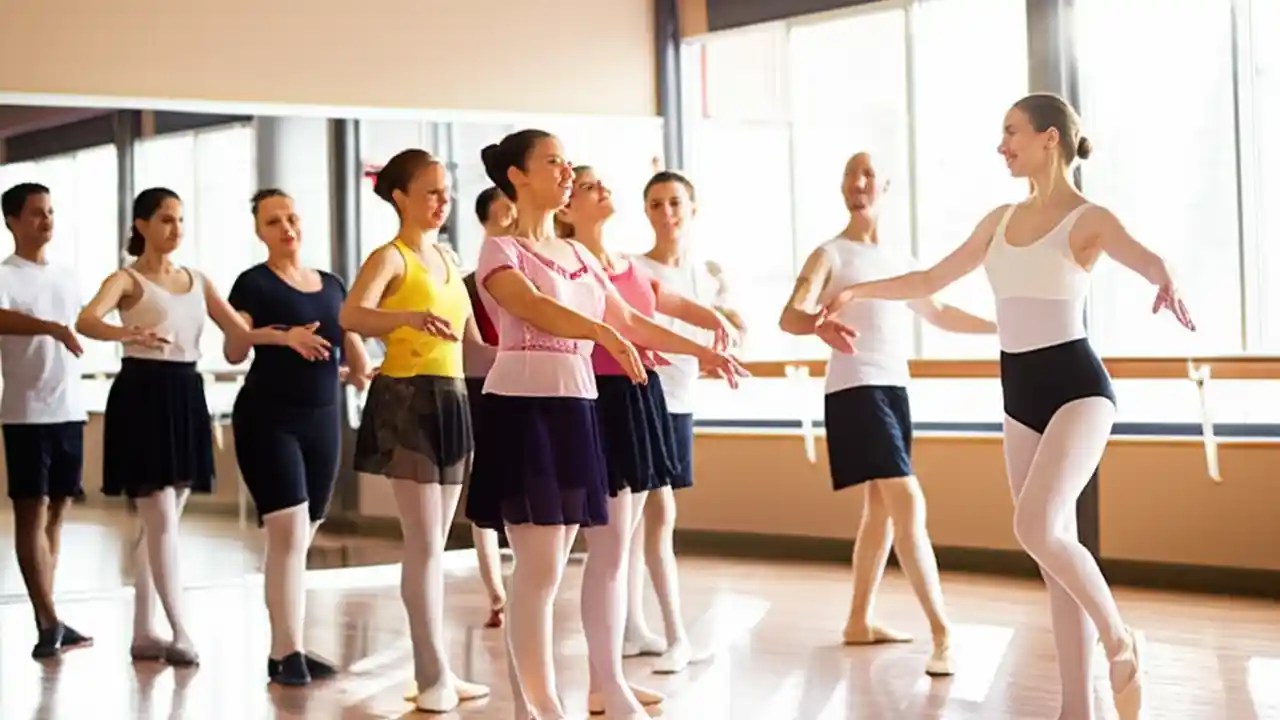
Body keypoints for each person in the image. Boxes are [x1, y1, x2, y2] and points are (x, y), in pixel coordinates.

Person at [822, 93, 1189, 720]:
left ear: (1051, 138)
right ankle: (1077, 709)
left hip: (1078, 389)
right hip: (1019, 395)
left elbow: (1142, 253)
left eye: (1011, 133)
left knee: (1035, 526)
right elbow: (929, 281)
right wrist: (857, 287)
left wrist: (1165, 277)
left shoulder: (1087, 219)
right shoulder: (997, 220)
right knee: (1053, 553)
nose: (1001, 146)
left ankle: (1121, 641)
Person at [466, 130, 743, 720]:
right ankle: (540, 707)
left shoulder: (582, 256)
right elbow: (532, 307)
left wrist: (703, 351)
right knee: (538, 571)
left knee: (557, 563)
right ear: (517, 176)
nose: (565, 171)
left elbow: (633, 321)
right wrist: (599, 332)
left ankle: (549, 702)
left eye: (569, 162)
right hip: (523, 408)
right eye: (552, 162)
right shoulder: (500, 251)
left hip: (577, 407)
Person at [77, 187, 328, 667]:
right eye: (166, 220)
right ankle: (180, 630)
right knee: (162, 521)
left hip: (185, 393)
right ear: (141, 225)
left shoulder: (197, 279)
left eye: (180, 220)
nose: (175, 229)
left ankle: (143, 630)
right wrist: (121, 331)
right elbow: (87, 319)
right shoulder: (126, 280)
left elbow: (239, 332)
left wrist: (285, 337)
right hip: (143, 392)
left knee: (162, 524)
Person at [779, 151, 998, 677]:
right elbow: (791, 314)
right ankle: (943, 632)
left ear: (887, 186)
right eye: (850, 173)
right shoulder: (829, 254)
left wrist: (1000, 329)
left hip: (894, 389)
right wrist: (817, 327)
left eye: (869, 174)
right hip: (856, 388)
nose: (858, 181)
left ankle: (858, 620)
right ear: (841, 186)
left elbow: (939, 312)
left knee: (879, 510)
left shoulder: (899, 258)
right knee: (908, 499)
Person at [557, 165, 740, 682]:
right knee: (604, 545)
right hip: (600, 399)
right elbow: (635, 325)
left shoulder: (623, 264)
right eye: (589, 186)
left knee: (621, 544)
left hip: (642, 397)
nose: (603, 189)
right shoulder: (575, 261)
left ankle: (615, 666)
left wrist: (716, 323)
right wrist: (702, 345)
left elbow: (664, 302)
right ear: (568, 209)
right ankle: (606, 672)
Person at [339, 149, 489, 713]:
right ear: (399, 196)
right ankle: (430, 675)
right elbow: (352, 316)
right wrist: (403, 318)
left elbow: (474, 341)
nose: (442, 201)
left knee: (438, 541)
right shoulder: (391, 257)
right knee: (424, 544)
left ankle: (441, 668)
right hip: (407, 397)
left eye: (445, 191)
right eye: (430, 191)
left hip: (450, 397)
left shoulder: (448, 257)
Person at [226, 188, 373, 685]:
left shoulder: (331, 284)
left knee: (300, 537)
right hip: (268, 419)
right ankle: (284, 651)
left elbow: (348, 337)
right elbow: (232, 346)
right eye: (273, 222)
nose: (286, 228)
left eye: (291, 217)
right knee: (288, 532)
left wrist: (359, 367)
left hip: (323, 419)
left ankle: (291, 648)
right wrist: (282, 335)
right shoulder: (252, 285)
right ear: (259, 231)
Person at [626, 170, 744, 667]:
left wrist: (728, 324)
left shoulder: (708, 274)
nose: (667, 213)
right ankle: (672, 634)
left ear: (693, 209)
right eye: (656, 204)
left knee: (645, 519)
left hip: (682, 400)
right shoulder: (635, 268)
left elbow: (733, 329)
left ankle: (635, 627)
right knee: (652, 515)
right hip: (643, 397)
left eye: (675, 203)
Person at [0, 182, 93, 659]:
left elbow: (89, 321)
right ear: (12, 221)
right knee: (31, 511)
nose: (47, 220)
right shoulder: (7, 275)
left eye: (51, 211)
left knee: (59, 511)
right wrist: (51, 328)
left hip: (68, 410)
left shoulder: (67, 275)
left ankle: (50, 613)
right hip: (26, 413)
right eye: (37, 213)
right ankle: (47, 618)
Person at [461, 185, 513, 630]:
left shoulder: (529, 276)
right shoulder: (466, 284)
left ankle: (515, 584)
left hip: (523, 386)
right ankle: (495, 590)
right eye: (502, 215)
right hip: (481, 388)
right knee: (487, 485)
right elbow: (472, 351)